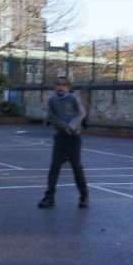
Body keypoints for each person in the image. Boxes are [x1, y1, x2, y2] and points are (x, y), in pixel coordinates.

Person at [38, 76, 89, 209]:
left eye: (64, 85)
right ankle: (49, 197)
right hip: (60, 137)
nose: (61, 87)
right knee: (54, 167)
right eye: (58, 84)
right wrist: (64, 127)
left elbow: (80, 113)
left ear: (68, 87)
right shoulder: (52, 100)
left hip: (74, 138)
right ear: (55, 86)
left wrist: (71, 126)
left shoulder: (72, 98)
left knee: (76, 167)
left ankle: (84, 196)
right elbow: (52, 117)